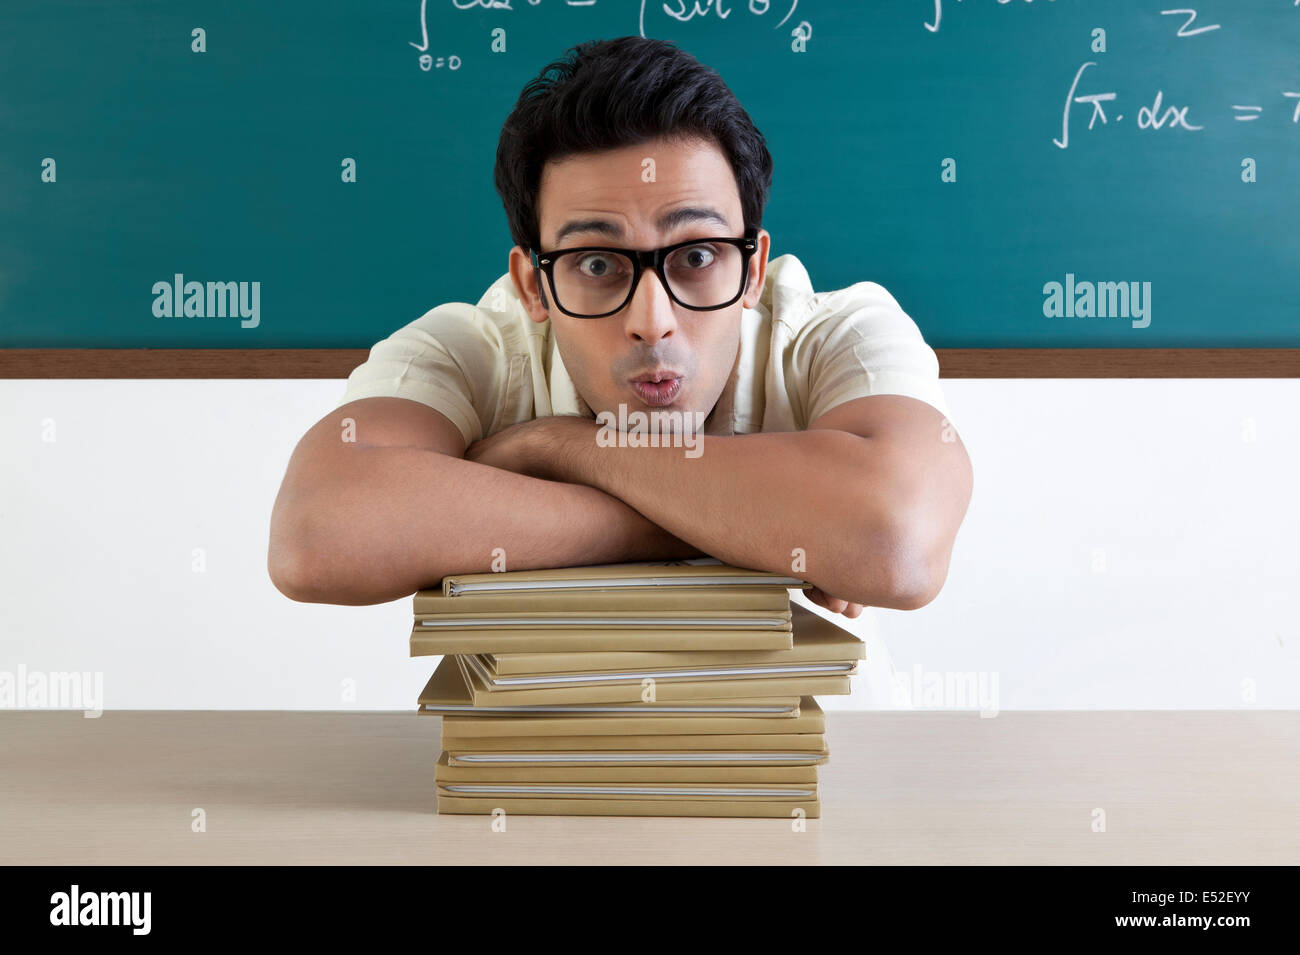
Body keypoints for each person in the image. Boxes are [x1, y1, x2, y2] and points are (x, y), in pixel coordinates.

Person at [268, 36, 972, 615]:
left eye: (696, 256)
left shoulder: (838, 331)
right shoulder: (469, 348)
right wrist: (773, 523)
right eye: (598, 263)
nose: (652, 321)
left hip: (807, 770)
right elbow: (316, 535)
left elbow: (895, 542)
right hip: (522, 774)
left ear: (754, 270)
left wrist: (561, 446)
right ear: (531, 285)